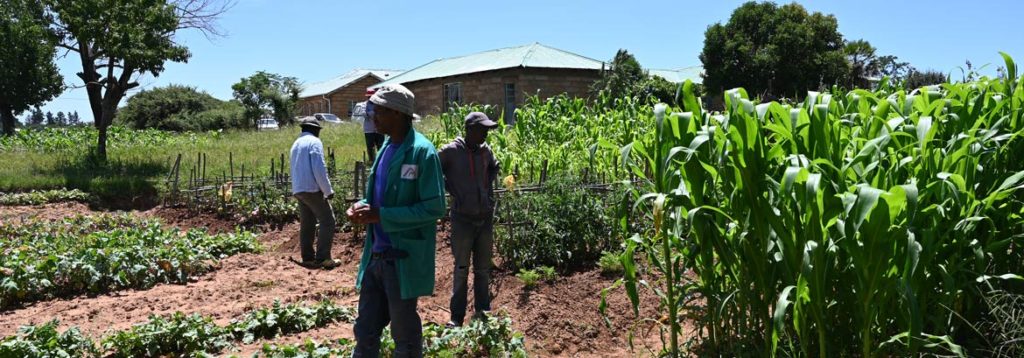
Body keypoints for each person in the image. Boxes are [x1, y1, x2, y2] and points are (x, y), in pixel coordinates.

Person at [346, 84, 445, 358]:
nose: (373, 117)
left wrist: (381, 215)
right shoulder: (386, 147)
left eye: (378, 111)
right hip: (376, 256)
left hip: (401, 258)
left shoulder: (422, 152)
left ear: (398, 114)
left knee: (405, 338)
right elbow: (383, 198)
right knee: (365, 331)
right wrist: (363, 207)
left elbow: (434, 207)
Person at [437, 112, 500, 328]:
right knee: (461, 269)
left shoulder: (485, 151)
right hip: (462, 219)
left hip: (484, 218)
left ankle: (483, 313)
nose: (485, 134)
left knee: (482, 270)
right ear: (470, 129)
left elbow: (494, 167)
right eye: (482, 130)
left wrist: (486, 190)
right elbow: (434, 168)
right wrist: (450, 188)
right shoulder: (451, 151)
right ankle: (456, 317)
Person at [289, 117, 340, 269]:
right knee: (328, 221)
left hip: (299, 189)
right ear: (315, 129)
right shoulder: (314, 142)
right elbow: (319, 168)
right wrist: (327, 190)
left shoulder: (296, 144)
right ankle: (323, 258)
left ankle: (308, 258)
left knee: (308, 223)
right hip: (312, 189)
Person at [353, 89, 386, 160]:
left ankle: (381, 160)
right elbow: (364, 113)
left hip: (380, 129)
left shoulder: (380, 104)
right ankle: (372, 160)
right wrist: (375, 114)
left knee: (381, 145)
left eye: (371, 96)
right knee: (370, 146)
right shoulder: (364, 105)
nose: (370, 98)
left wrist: (372, 114)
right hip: (369, 129)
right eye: (369, 96)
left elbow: (383, 113)